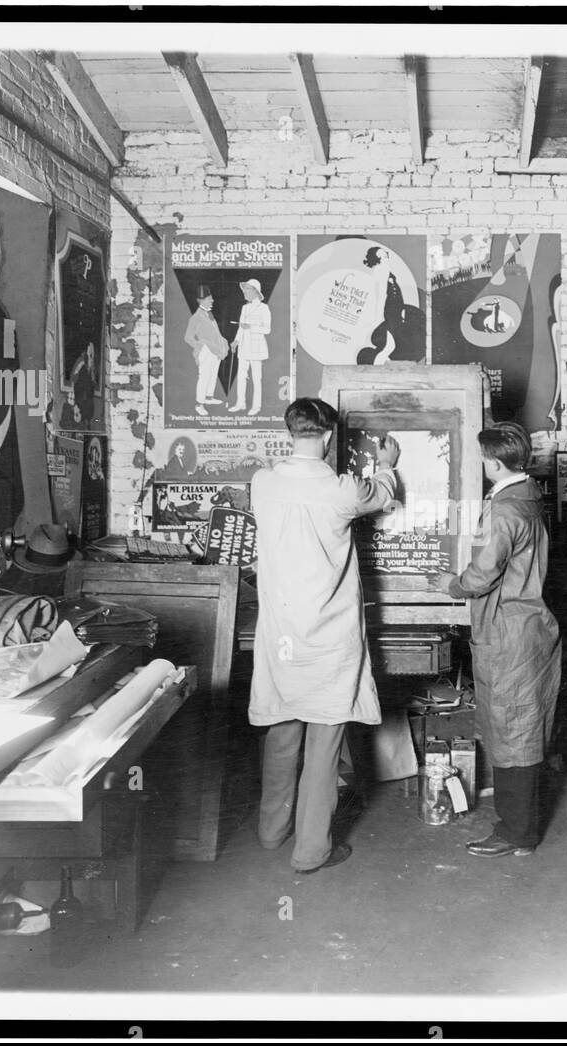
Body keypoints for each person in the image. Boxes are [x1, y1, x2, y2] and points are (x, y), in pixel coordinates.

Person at [248, 398, 401, 873]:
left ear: (289, 432)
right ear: (330, 436)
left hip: (281, 635)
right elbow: (380, 493)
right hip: (328, 636)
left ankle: (272, 831)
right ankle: (311, 851)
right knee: (324, 743)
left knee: (281, 730)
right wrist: (388, 465)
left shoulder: (263, 483)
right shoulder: (342, 490)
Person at [433, 421, 561, 858]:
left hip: (508, 631)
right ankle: (519, 827)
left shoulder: (504, 510)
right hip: (528, 626)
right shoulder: (529, 496)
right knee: (521, 728)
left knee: (513, 733)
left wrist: (453, 584)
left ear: (493, 463)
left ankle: (517, 833)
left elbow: (483, 574)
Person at [184, 284, 228, 414]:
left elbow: (215, 332)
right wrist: (201, 346)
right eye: (209, 298)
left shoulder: (209, 314)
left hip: (216, 350)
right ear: (201, 300)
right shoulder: (196, 317)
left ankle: (209, 398)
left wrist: (222, 342)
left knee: (213, 375)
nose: (212, 300)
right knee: (204, 377)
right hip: (206, 351)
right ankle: (199, 405)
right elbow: (188, 337)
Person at [230, 278, 271, 416]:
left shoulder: (264, 308)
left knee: (256, 378)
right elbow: (241, 327)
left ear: (255, 291)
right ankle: (240, 403)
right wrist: (236, 341)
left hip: (256, 348)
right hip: (244, 347)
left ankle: (256, 406)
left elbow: (267, 329)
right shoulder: (245, 308)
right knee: (241, 376)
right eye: (244, 289)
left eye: (247, 289)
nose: (244, 292)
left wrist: (251, 327)